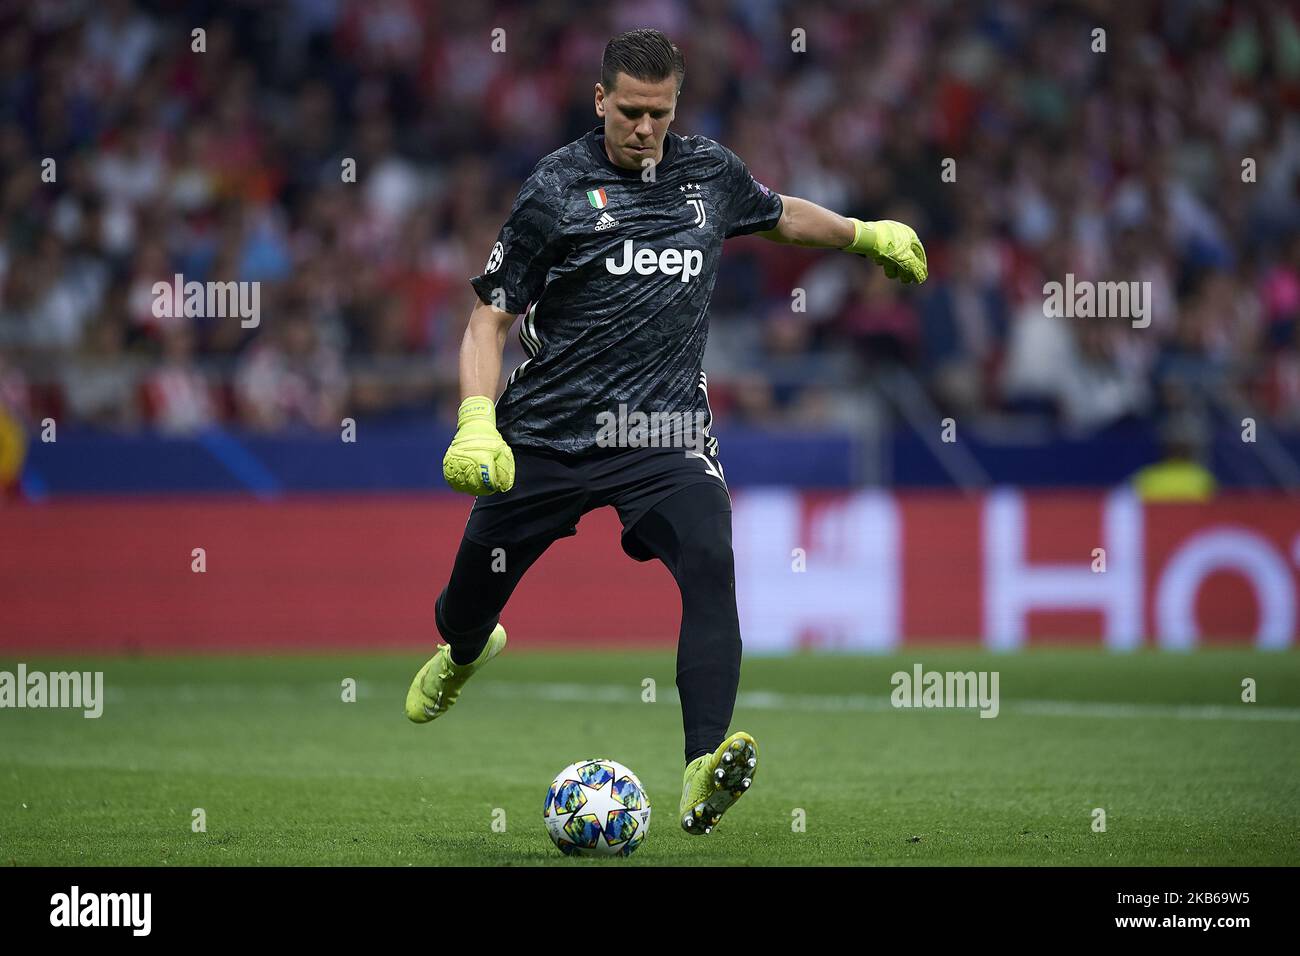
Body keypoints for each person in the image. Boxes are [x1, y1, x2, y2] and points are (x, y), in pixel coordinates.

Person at [405, 29, 927, 836]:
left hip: (663, 433)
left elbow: (781, 215)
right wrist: (477, 421)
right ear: (600, 101)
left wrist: (865, 235)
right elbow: (489, 316)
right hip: (547, 435)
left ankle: (701, 769)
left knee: (712, 563)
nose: (645, 128)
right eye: (630, 112)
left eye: (660, 113)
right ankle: (467, 651)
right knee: (462, 609)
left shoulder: (708, 174)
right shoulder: (557, 188)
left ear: (675, 107)